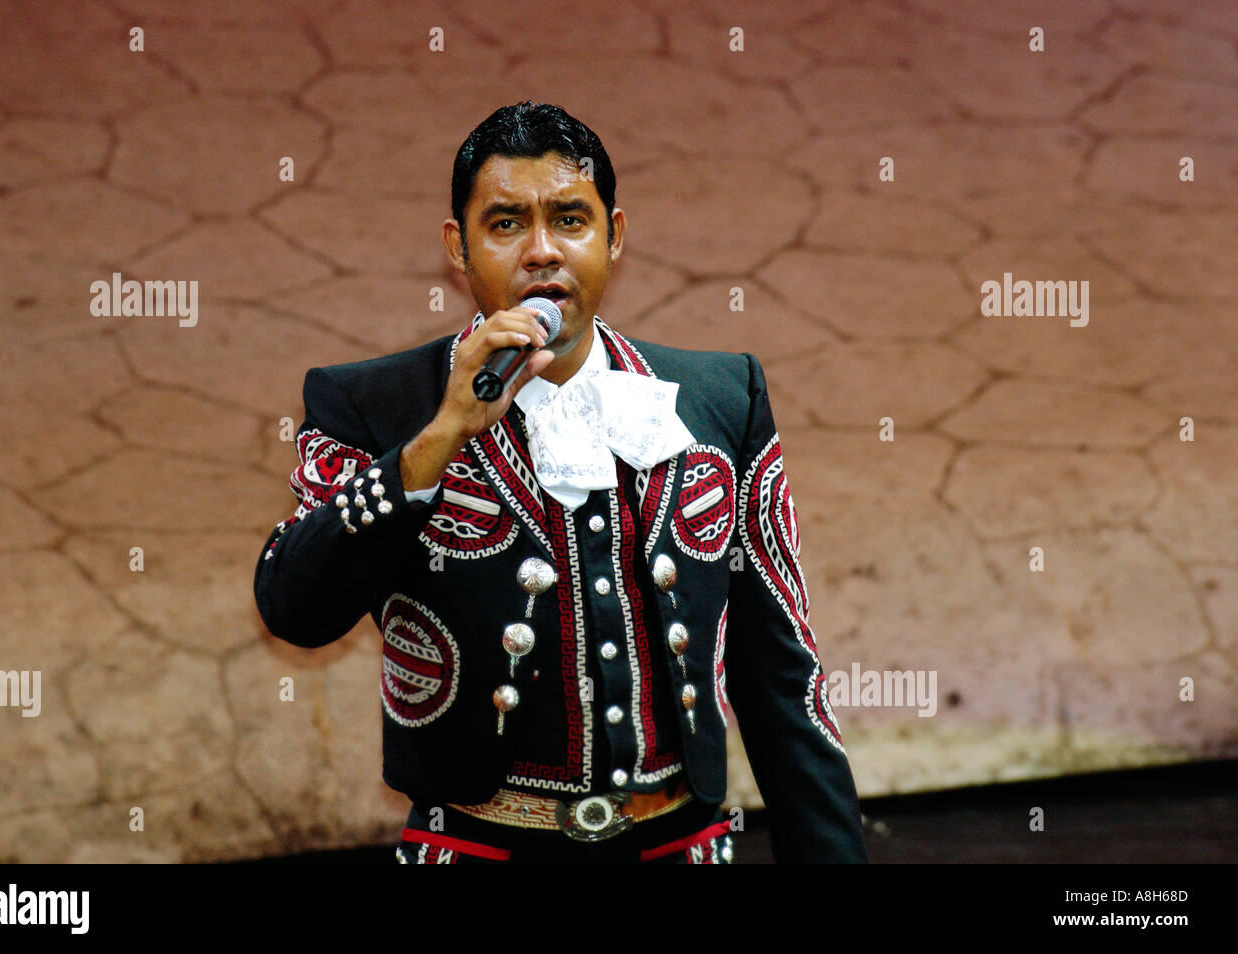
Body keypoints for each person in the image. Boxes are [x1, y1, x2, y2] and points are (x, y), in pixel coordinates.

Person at [253, 101, 867, 864]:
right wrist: (441, 434)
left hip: (681, 846)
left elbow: (781, 674)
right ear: (458, 246)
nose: (542, 252)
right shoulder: (372, 405)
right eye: (506, 224)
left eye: (570, 220)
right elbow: (293, 608)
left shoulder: (719, 394)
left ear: (615, 234)